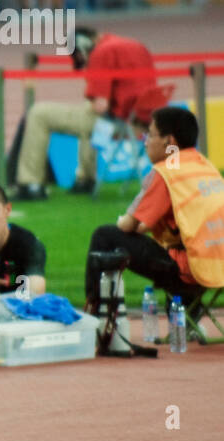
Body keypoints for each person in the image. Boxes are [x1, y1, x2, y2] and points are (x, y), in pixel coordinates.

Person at [84, 106, 224, 307]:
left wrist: (124, 221)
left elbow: (127, 226)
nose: (145, 141)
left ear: (169, 142)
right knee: (170, 244)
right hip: (217, 265)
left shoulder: (166, 173)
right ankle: (190, 317)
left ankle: (94, 310)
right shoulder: (204, 166)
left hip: (189, 269)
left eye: (150, 134)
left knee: (104, 236)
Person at [14, 28, 155, 199]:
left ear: (82, 45)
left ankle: (31, 184)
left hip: (118, 124)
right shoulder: (137, 46)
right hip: (142, 120)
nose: (80, 60)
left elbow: (100, 106)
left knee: (38, 113)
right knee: (88, 113)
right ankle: (85, 178)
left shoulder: (102, 52)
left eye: (78, 55)